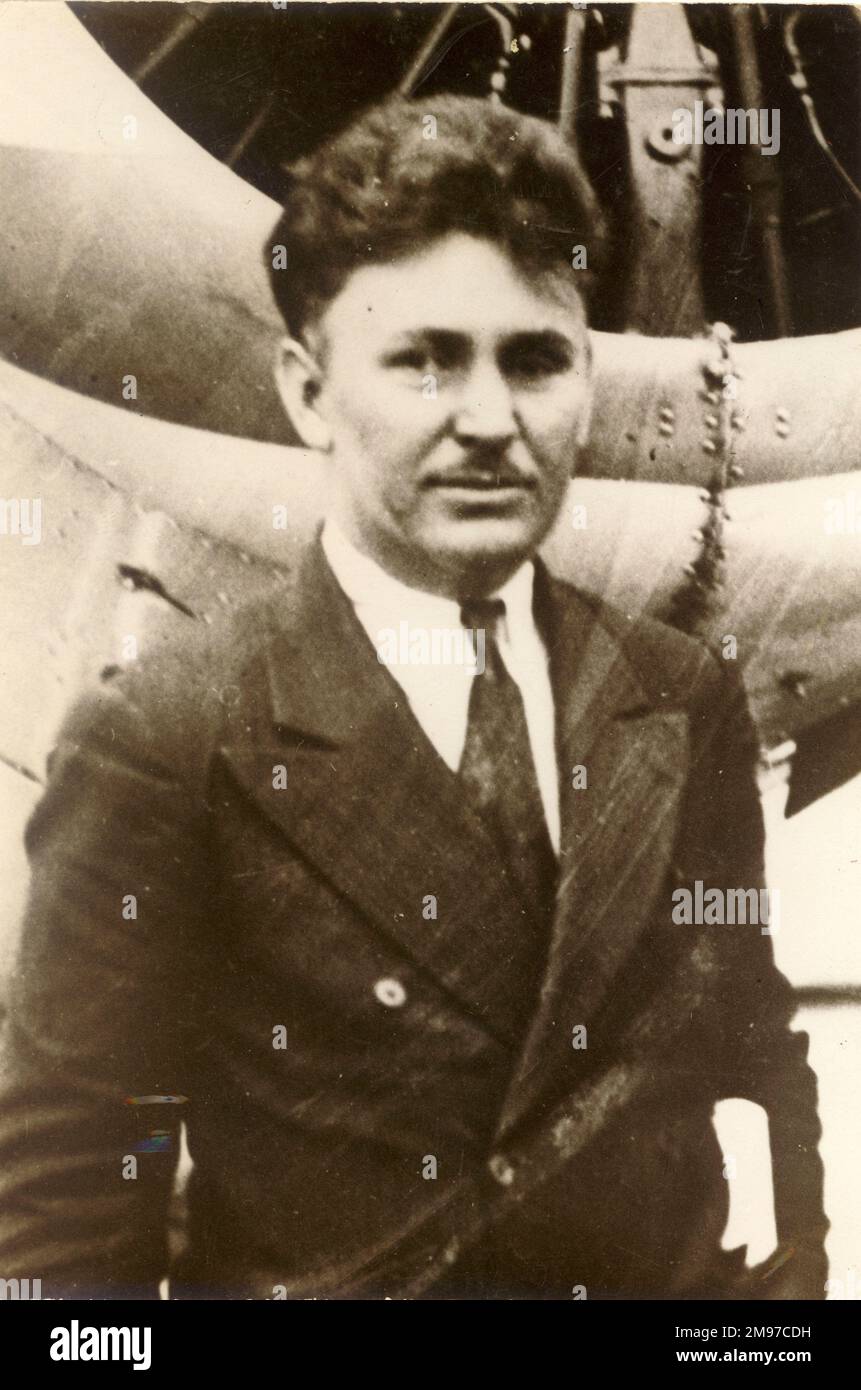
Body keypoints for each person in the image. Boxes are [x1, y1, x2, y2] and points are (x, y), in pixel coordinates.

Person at [0, 94, 828, 1300]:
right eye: (424, 360)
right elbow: (65, 1219)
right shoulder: (170, 735)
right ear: (308, 391)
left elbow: (749, 1060)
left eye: (536, 360)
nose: (489, 421)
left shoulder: (678, 696)